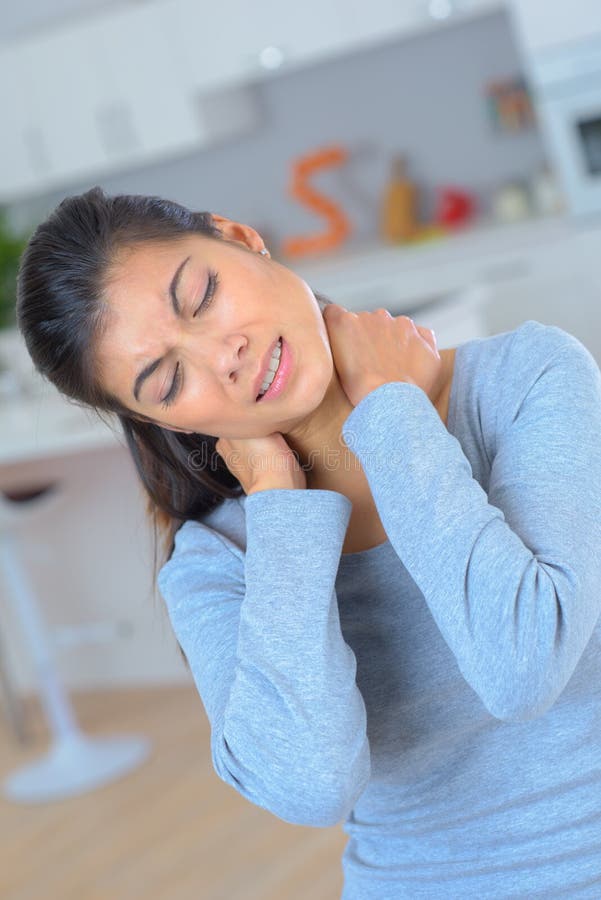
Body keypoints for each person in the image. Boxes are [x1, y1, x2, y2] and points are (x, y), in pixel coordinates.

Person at [16, 186, 601, 898]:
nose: (221, 357)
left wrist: (392, 415)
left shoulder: (523, 379)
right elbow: (312, 785)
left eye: (199, 297)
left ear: (239, 235)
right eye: (168, 380)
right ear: (155, 419)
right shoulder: (217, 562)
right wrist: (278, 509)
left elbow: (522, 667)